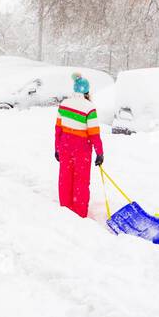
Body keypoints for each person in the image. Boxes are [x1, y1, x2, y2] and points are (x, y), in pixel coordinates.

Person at [55, 72, 103, 217]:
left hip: (64, 148)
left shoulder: (64, 105)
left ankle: (65, 208)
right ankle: (79, 213)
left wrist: (57, 148)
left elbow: (58, 129)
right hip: (82, 151)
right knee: (81, 183)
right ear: (87, 92)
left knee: (65, 179)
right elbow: (94, 133)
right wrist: (99, 152)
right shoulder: (89, 108)